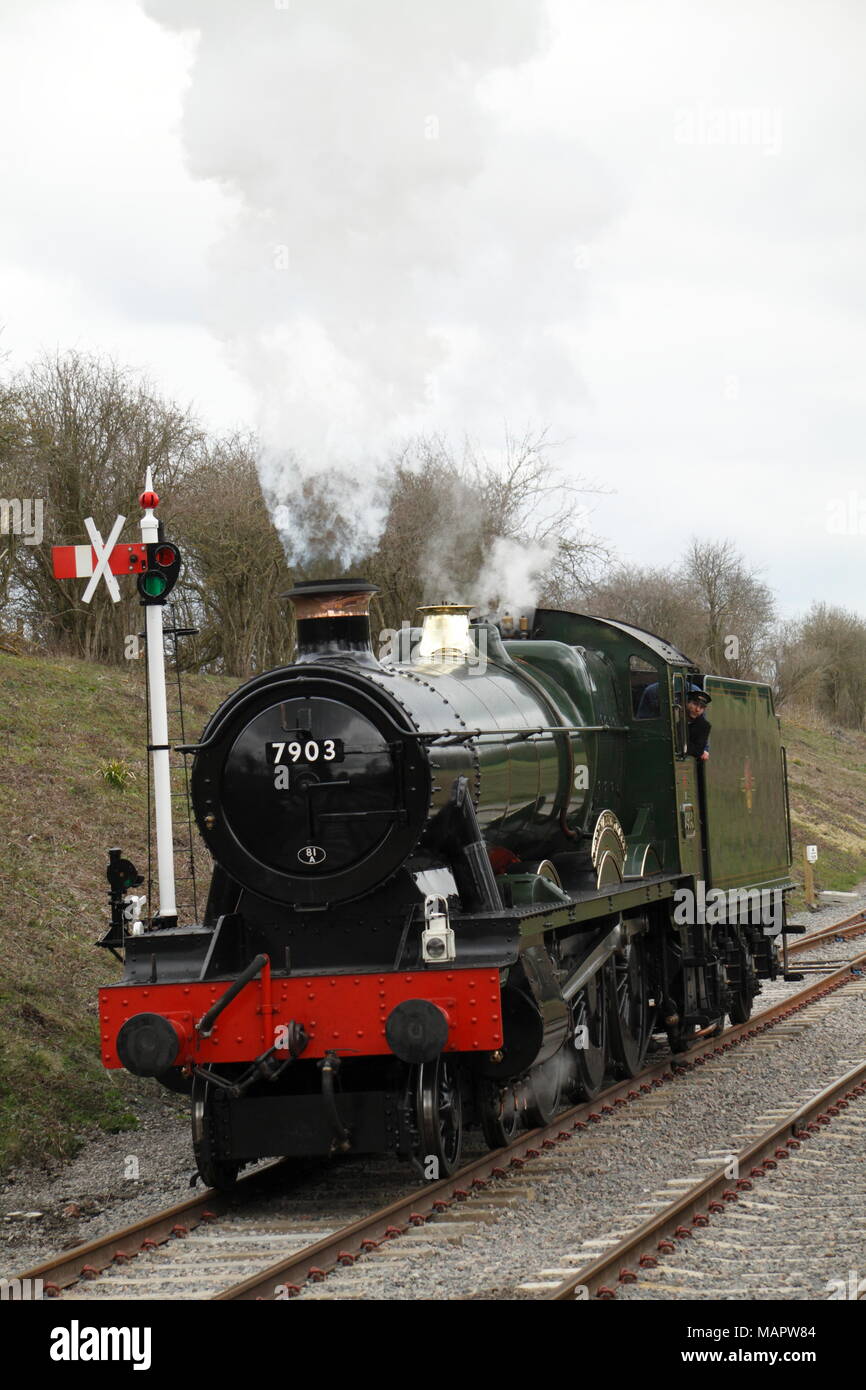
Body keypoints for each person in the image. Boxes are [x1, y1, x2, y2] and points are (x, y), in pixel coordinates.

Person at [686, 685, 711, 760]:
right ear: (687, 703)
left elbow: (698, 751)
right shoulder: (676, 717)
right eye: (695, 704)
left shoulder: (704, 726)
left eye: (701, 707)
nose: (697, 709)